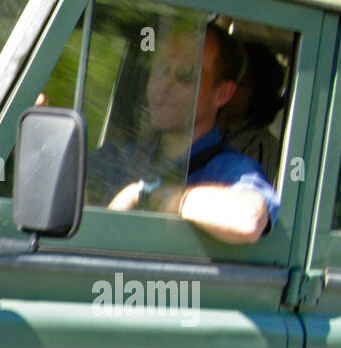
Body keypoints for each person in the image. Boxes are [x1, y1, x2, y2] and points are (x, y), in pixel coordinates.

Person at [89, 21, 279, 244]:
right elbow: (64, 199)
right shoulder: (117, 157)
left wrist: (148, 195)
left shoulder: (230, 170)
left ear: (223, 93)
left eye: (186, 76)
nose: (164, 85)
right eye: (160, 69)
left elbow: (249, 219)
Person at [219, 40, 286, 185]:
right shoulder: (206, 125)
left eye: (242, 83)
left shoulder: (261, 146)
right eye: (228, 77)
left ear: (258, 94)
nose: (229, 89)